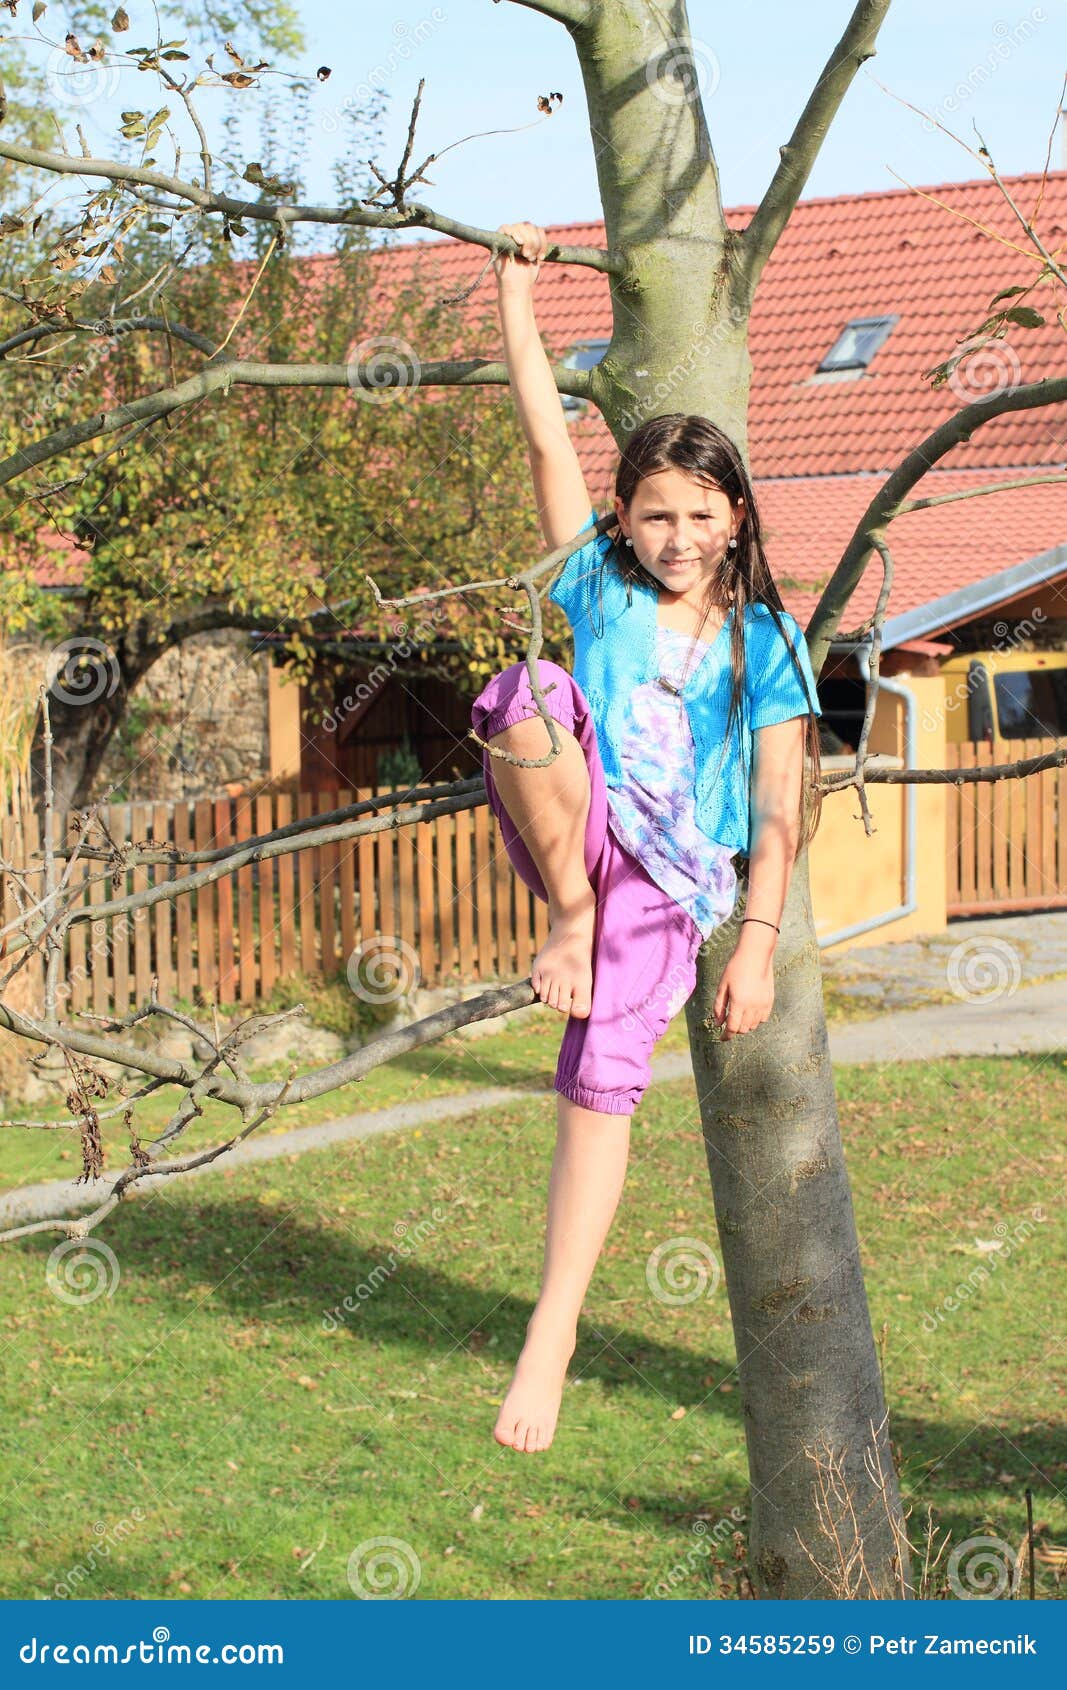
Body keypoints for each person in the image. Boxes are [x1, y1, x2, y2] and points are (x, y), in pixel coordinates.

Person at [471, 220, 824, 1455]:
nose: (674, 537)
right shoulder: (599, 586)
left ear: (734, 516)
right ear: (623, 519)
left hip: (668, 886)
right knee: (519, 697)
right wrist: (513, 302)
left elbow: (778, 814)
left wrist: (754, 947)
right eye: (653, 514)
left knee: (597, 1084)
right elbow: (537, 434)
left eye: (698, 514)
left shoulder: (768, 645)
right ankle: (566, 909)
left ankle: (551, 1330)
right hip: (576, 836)